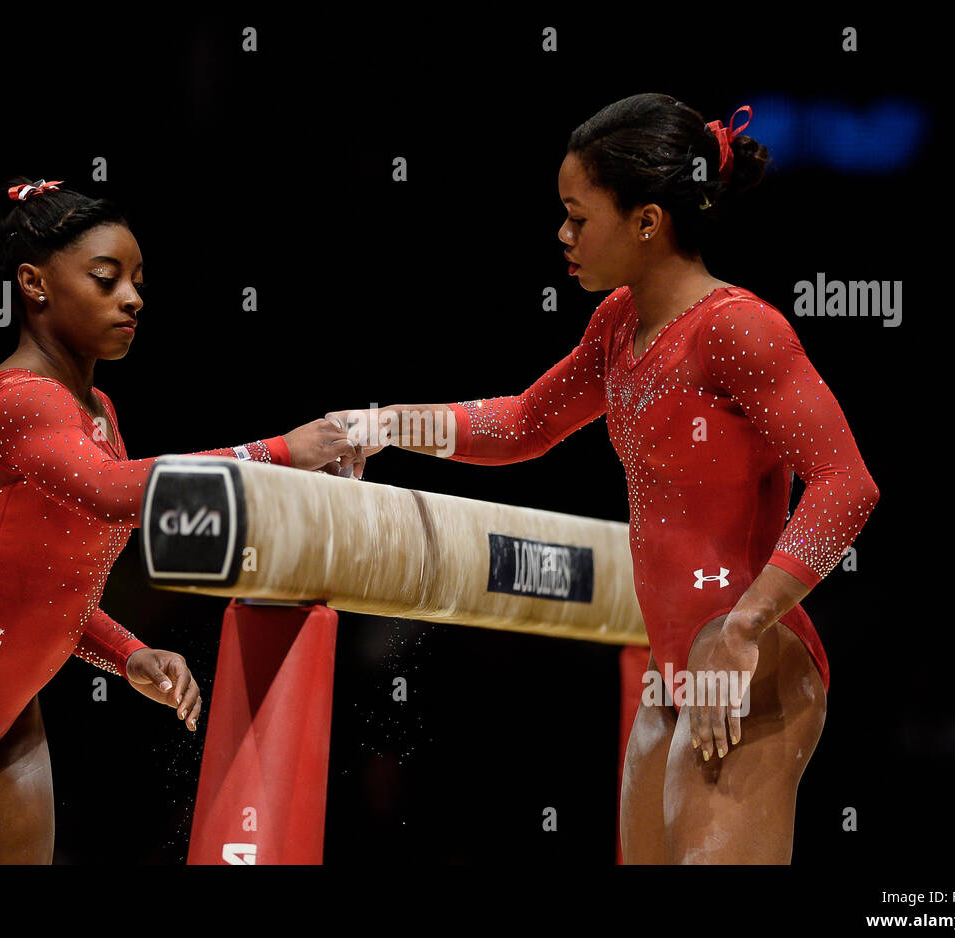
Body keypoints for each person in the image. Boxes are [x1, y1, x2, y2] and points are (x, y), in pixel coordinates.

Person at [330, 94, 880, 864]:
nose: (563, 234)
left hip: (751, 668)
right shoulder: (619, 324)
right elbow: (521, 423)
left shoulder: (738, 328)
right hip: (672, 675)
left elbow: (847, 484)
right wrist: (382, 425)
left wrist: (748, 622)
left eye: (578, 216)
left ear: (647, 222)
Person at [0, 177, 360, 864]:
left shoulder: (100, 415)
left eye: (139, 280)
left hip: (15, 704)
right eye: (106, 277)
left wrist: (127, 654)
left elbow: (48, 585)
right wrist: (281, 452)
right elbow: (113, 490)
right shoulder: (18, 397)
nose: (133, 297)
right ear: (34, 283)